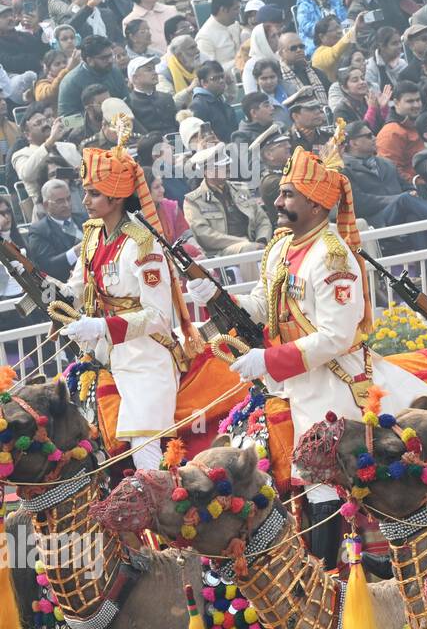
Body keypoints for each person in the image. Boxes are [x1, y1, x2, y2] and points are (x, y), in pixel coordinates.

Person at [185, 145, 427, 565]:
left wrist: (268, 360)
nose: (277, 202)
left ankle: (328, 576)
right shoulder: (283, 247)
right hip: (296, 381)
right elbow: (267, 305)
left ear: (317, 204)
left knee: (321, 477)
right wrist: (216, 295)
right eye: (280, 194)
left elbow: (336, 337)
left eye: (287, 195)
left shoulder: (333, 257)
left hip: (335, 381)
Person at [62, 143, 197, 472]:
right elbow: (78, 287)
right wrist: (45, 288)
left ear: (117, 198)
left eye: (93, 194)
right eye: (85, 192)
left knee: (143, 449)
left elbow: (159, 316)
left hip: (147, 358)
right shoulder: (93, 233)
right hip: (109, 356)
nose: (85, 201)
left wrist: (102, 327)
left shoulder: (143, 244)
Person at [182, 143, 273, 256]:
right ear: (207, 171)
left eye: (227, 164)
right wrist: (244, 243)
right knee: (249, 250)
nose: (228, 167)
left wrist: (262, 240)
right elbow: (204, 235)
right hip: (221, 253)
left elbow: (262, 220)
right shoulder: (193, 201)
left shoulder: (241, 189)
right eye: (222, 165)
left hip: (254, 246)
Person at [26, 178, 84, 281]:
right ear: (46, 205)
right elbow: (48, 266)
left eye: (68, 198)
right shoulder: (38, 231)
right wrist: (76, 251)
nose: (67, 204)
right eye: (60, 201)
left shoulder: (85, 218)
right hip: (66, 284)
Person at [57, 34, 126, 118]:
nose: (110, 60)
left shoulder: (114, 71)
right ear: (89, 60)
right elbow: (66, 122)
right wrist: (94, 116)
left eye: (111, 55)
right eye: (104, 58)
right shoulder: (71, 82)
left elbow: (127, 101)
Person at [124, 54, 175, 135]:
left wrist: (178, 147)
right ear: (135, 78)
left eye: (154, 69)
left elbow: (176, 128)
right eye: (149, 70)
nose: (155, 73)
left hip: (175, 144)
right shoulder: (129, 104)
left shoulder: (167, 98)